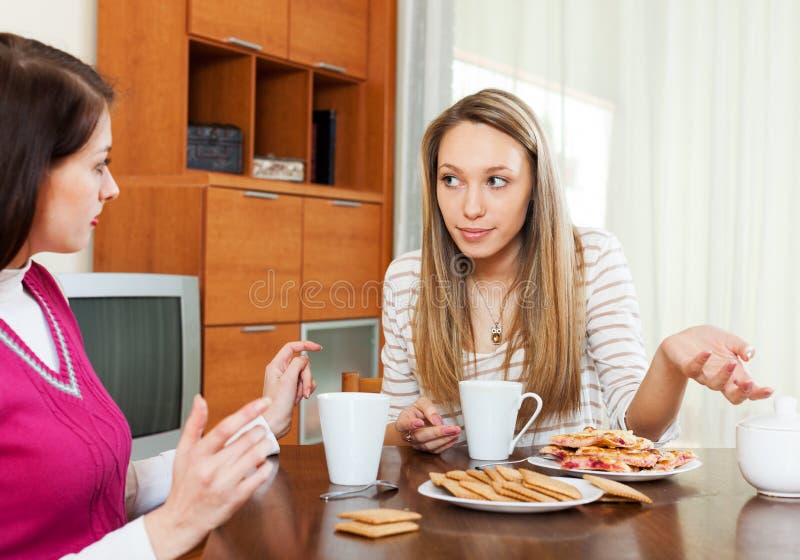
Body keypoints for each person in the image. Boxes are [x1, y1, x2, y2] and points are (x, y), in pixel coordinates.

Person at [0, 33, 320, 559]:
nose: (113, 188)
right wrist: (170, 529)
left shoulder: (40, 290)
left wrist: (265, 424)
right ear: (27, 169)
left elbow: (104, 490)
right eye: (98, 164)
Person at [381, 88, 773, 453]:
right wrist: (406, 428)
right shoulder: (406, 279)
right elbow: (391, 425)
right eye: (451, 179)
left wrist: (669, 362)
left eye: (496, 181)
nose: (470, 207)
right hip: (450, 510)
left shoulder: (592, 259)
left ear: (536, 184)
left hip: (570, 513)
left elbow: (637, 430)